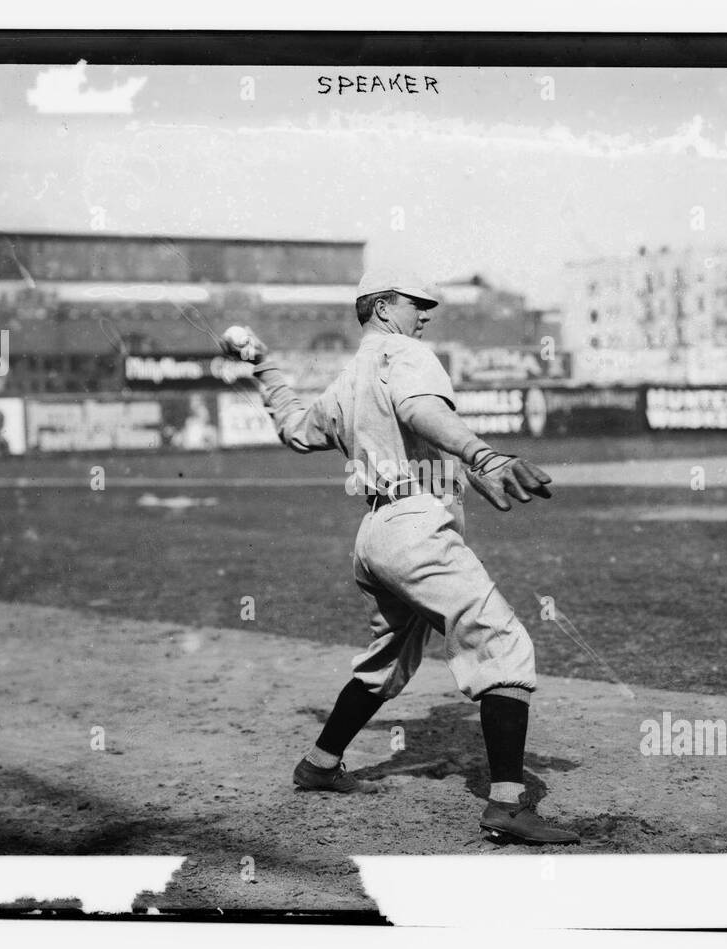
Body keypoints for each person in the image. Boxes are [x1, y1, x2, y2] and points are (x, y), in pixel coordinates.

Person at [222, 269, 579, 845]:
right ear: (385, 307)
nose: (426, 313)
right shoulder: (405, 350)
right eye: (418, 303)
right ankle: (508, 806)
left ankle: (319, 764)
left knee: (385, 662)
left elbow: (294, 429)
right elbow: (418, 411)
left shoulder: (347, 379)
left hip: (376, 534)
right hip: (416, 529)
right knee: (502, 644)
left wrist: (261, 364)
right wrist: (483, 456)